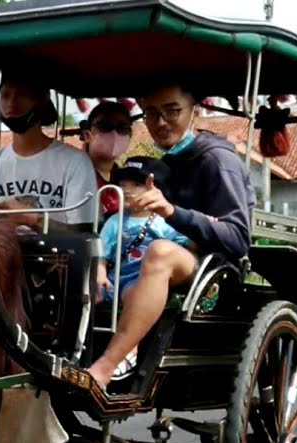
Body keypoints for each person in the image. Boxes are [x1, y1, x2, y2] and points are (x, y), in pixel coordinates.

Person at [86, 79, 255, 389]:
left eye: (172, 111)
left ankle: (106, 366)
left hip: (210, 271)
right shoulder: (165, 163)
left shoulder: (217, 160)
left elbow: (238, 238)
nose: (160, 122)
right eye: (151, 114)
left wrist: (173, 213)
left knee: (160, 251)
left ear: (195, 110)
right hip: (150, 267)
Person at [95, 157, 195, 379]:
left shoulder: (165, 223)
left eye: (137, 185)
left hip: (141, 279)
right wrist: (100, 274)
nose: (127, 190)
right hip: (115, 277)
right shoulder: (114, 221)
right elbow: (102, 253)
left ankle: (129, 351)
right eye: (123, 184)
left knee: (135, 296)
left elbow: (187, 244)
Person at [0, 71, 100, 230]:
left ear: (42, 100)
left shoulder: (76, 162)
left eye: (22, 94)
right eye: (5, 95)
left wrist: (33, 219)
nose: (11, 102)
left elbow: (83, 235)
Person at [80, 101, 135, 218]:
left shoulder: (126, 178)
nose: (114, 134)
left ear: (130, 135)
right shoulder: (74, 175)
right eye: (105, 127)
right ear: (87, 135)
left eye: (122, 128)